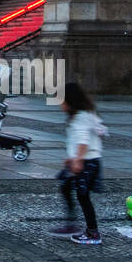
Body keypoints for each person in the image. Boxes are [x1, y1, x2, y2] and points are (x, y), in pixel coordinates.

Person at [55, 82, 107, 245]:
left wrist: (77, 159)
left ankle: (93, 233)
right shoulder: (86, 114)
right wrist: (72, 157)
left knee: (83, 196)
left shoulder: (81, 117)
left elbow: (83, 141)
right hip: (88, 160)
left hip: (86, 162)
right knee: (65, 186)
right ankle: (73, 224)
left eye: (62, 101)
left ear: (70, 101)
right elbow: (99, 131)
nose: (60, 104)